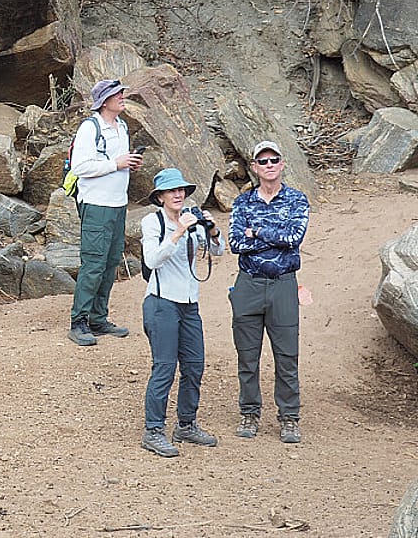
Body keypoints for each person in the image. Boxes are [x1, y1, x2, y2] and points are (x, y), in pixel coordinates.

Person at [138, 168, 226, 457]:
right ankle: (153, 430)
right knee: (164, 367)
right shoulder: (152, 222)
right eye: (171, 191)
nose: (178, 195)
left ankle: (186, 424)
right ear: (160, 197)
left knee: (194, 365)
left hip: (189, 304)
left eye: (182, 190)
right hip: (161, 302)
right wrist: (178, 232)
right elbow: (152, 259)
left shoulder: (191, 219)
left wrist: (211, 229)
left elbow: (218, 251)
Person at [228, 140, 309, 444]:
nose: (269, 165)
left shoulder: (297, 200)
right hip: (249, 284)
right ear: (254, 167)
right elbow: (236, 243)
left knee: (287, 355)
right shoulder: (242, 202)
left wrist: (258, 231)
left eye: (274, 159)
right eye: (262, 161)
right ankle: (249, 413)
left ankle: (289, 417)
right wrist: (274, 238)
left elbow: (294, 237)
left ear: (282, 164)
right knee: (247, 356)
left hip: (283, 284)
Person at [67, 79, 144, 347]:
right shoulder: (90, 128)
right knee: (94, 264)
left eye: (121, 93)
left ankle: (98, 319)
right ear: (104, 101)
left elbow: (114, 164)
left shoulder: (122, 127)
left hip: (118, 204)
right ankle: (78, 321)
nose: (122, 97)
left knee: (110, 263)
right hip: (96, 205)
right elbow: (80, 167)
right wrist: (116, 163)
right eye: (117, 94)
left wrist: (129, 164)